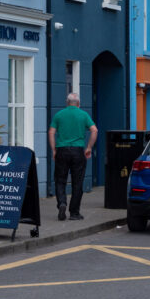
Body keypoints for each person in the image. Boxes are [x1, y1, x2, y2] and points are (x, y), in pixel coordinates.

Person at [48, 92, 97, 221]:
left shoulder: (59, 115)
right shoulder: (84, 115)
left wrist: (54, 150)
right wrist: (89, 147)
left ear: (67, 103)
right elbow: (94, 130)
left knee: (60, 180)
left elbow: (51, 132)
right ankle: (74, 212)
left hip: (62, 150)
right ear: (78, 104)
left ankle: (62, 203)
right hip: (78, 151)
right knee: (77, 182)